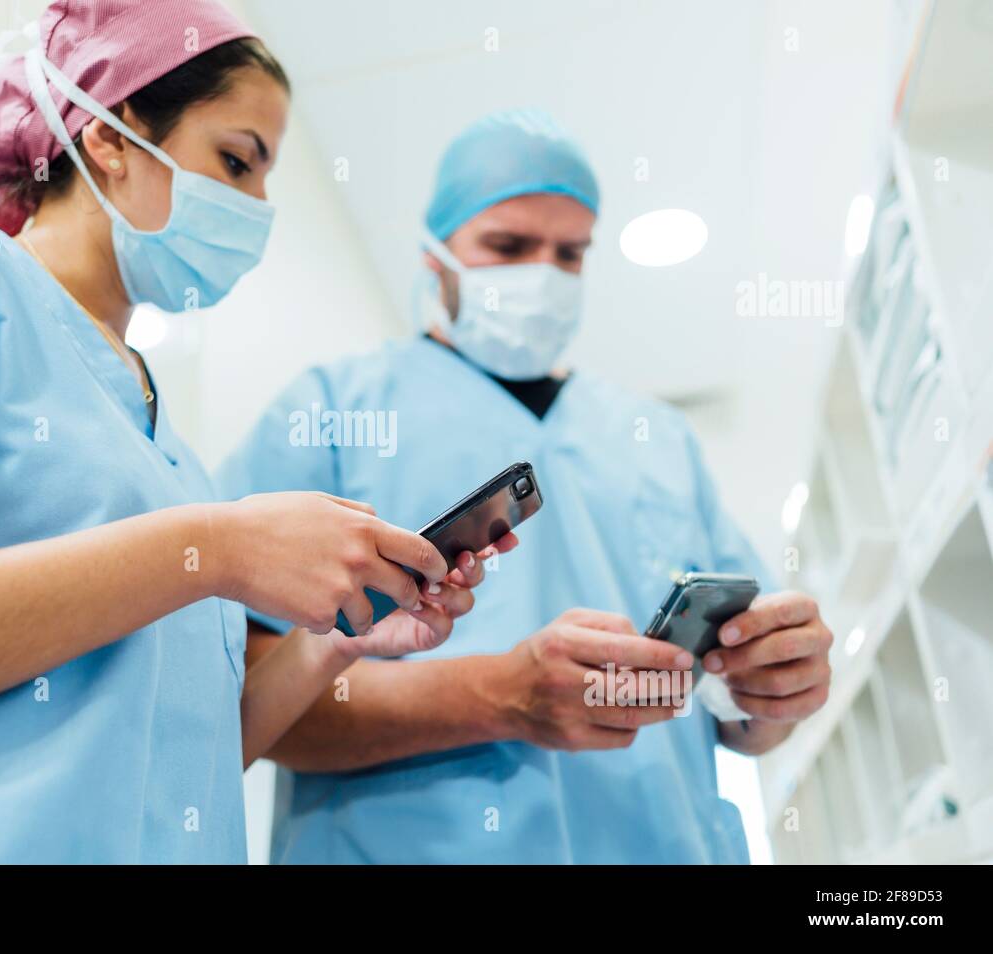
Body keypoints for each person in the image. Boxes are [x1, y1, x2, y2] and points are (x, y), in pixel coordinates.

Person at [0, 0, 506, 864]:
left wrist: (326, 650)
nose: (256, 212)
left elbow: (171, 766)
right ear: (112, 137)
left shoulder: (172, 456)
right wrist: (215, 549)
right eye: (236, 161)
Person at [218, 109, 834, 864]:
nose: (542, 273)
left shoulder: (655, 436)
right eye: (507, 247)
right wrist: (502, 695)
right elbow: (239, 702)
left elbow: (736, 714)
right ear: (434, 257)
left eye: (570, 254)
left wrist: (771, 698)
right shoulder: (335, 411)